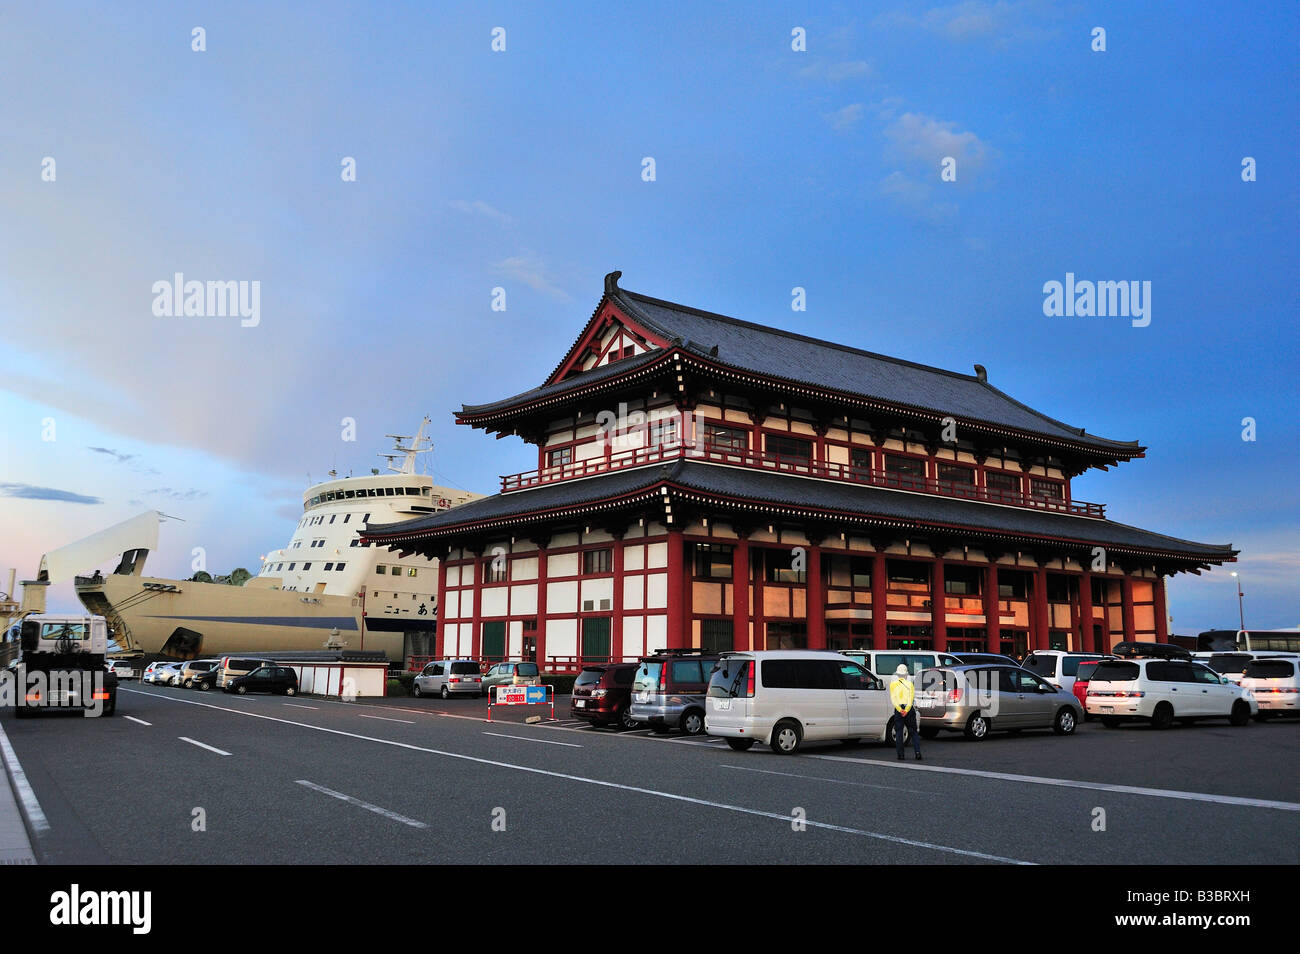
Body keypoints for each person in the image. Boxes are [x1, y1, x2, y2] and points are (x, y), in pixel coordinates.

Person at [889, 663, 922, 760]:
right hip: (909, 710)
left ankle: (900, 755)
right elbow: (911, 699)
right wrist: (906, 710)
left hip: (898, 709)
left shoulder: (893, 685)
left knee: (899, 732)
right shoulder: (910, 684)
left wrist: (900, 710)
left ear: (897, 674)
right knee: (914, 732)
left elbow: (893, 699)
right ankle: (917, 753)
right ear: (906, 674)